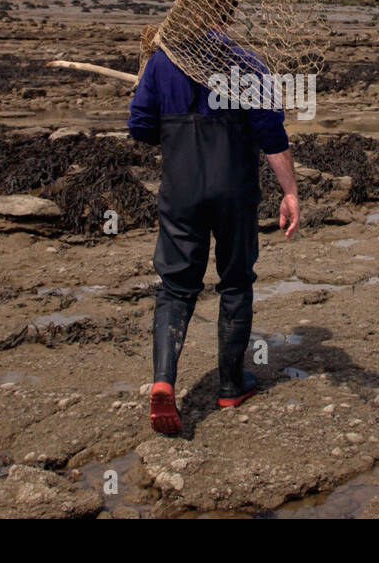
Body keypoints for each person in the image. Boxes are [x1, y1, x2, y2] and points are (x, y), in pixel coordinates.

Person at [127, 33, 299, 435]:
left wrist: (152, 95)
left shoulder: (161, 64)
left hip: (181, 193)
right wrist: (289, 191)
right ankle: (230, 386)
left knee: (175, 287)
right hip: (234, 191)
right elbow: (270, 133)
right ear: (226, 11)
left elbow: (140, 127)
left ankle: (164, 381)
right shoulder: (247, 63)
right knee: (236, 281)